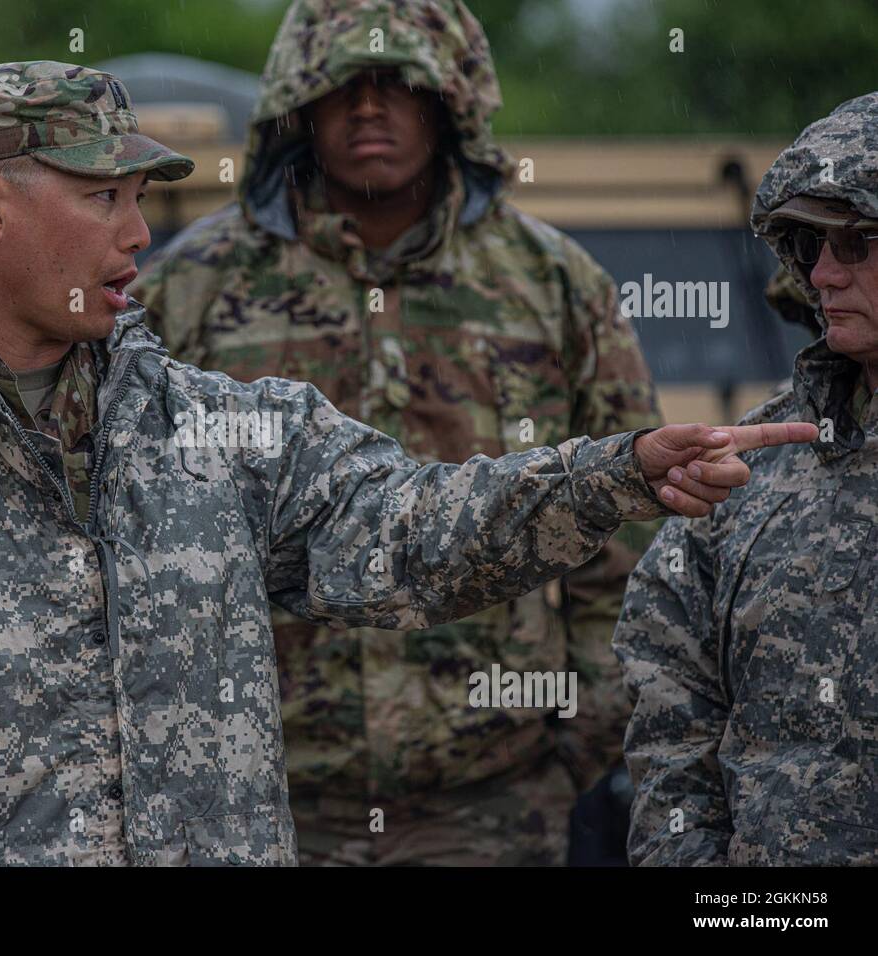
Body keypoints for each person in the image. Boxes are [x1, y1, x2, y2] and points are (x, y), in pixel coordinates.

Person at [0, 60, 809, 866]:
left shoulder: (212, 430)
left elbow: (409, 527)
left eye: (140, 197)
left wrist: (615, 470)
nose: (139, 234)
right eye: (104, 197)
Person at [130, 0, 661, 864]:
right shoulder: (191, 287)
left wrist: (583, 739)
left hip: (492, 798)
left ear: (450, 100)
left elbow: (629, 536)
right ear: (298, 107)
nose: (369, 109)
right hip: (258, 796)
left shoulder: (553, 283)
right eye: (342, 85)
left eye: (400, 84)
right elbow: (132, 524)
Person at [615, 91, 878, 865]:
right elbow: (667, 699)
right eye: (805, 244)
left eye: (858, 241)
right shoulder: (750, 465)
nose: (822, 273)